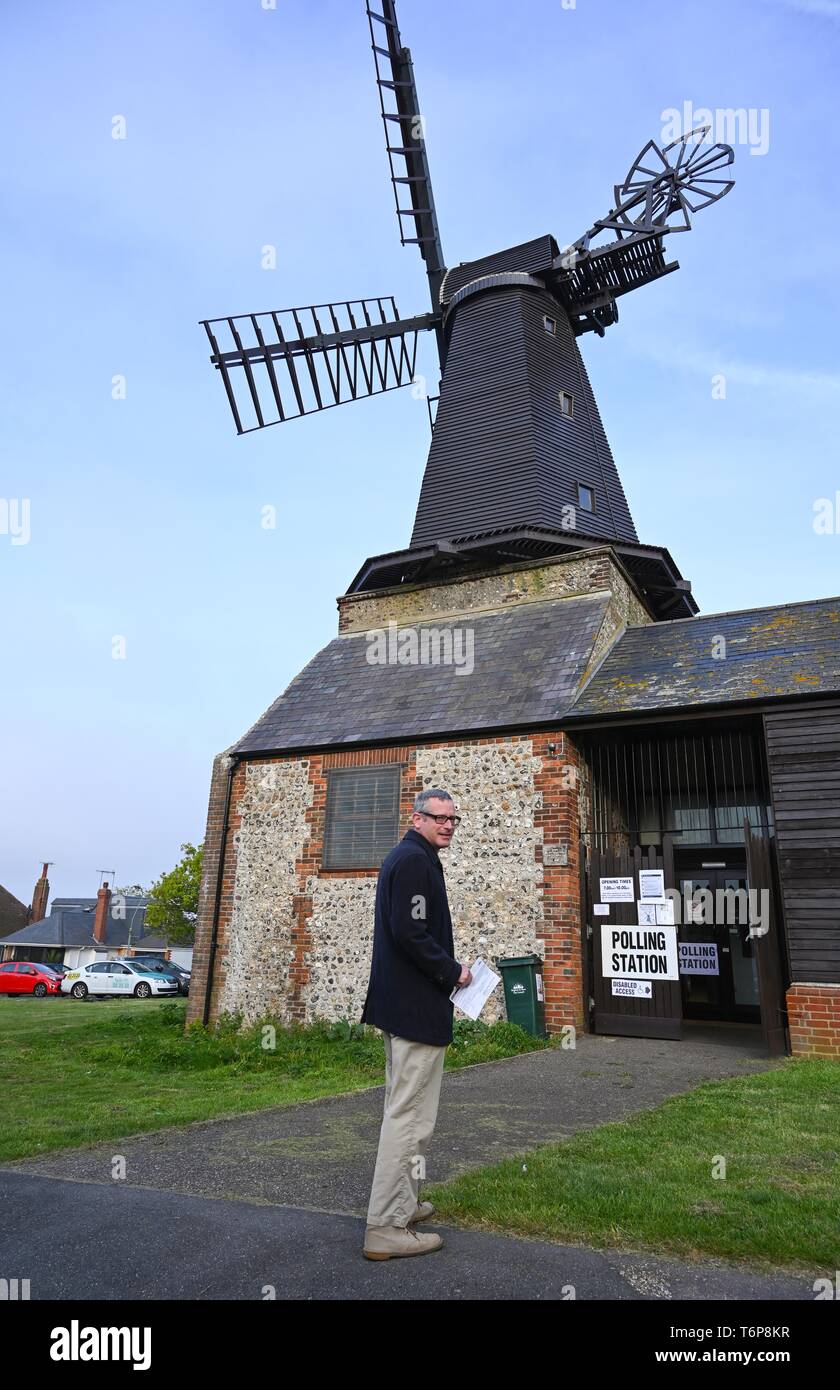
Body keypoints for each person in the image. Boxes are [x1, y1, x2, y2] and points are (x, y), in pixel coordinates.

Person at [360, 788, 472, 1260]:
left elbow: (411, 929)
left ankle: (402, 1205)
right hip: (414, 1010)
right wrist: (453, 972)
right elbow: (409, 930)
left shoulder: (416, 857)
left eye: (453, 818)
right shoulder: (412, 861)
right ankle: (385, 1226)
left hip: (406, 1008)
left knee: (410, 1115)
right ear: (417, 817)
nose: (447, 825)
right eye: (438, 817)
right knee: (409, 1118)